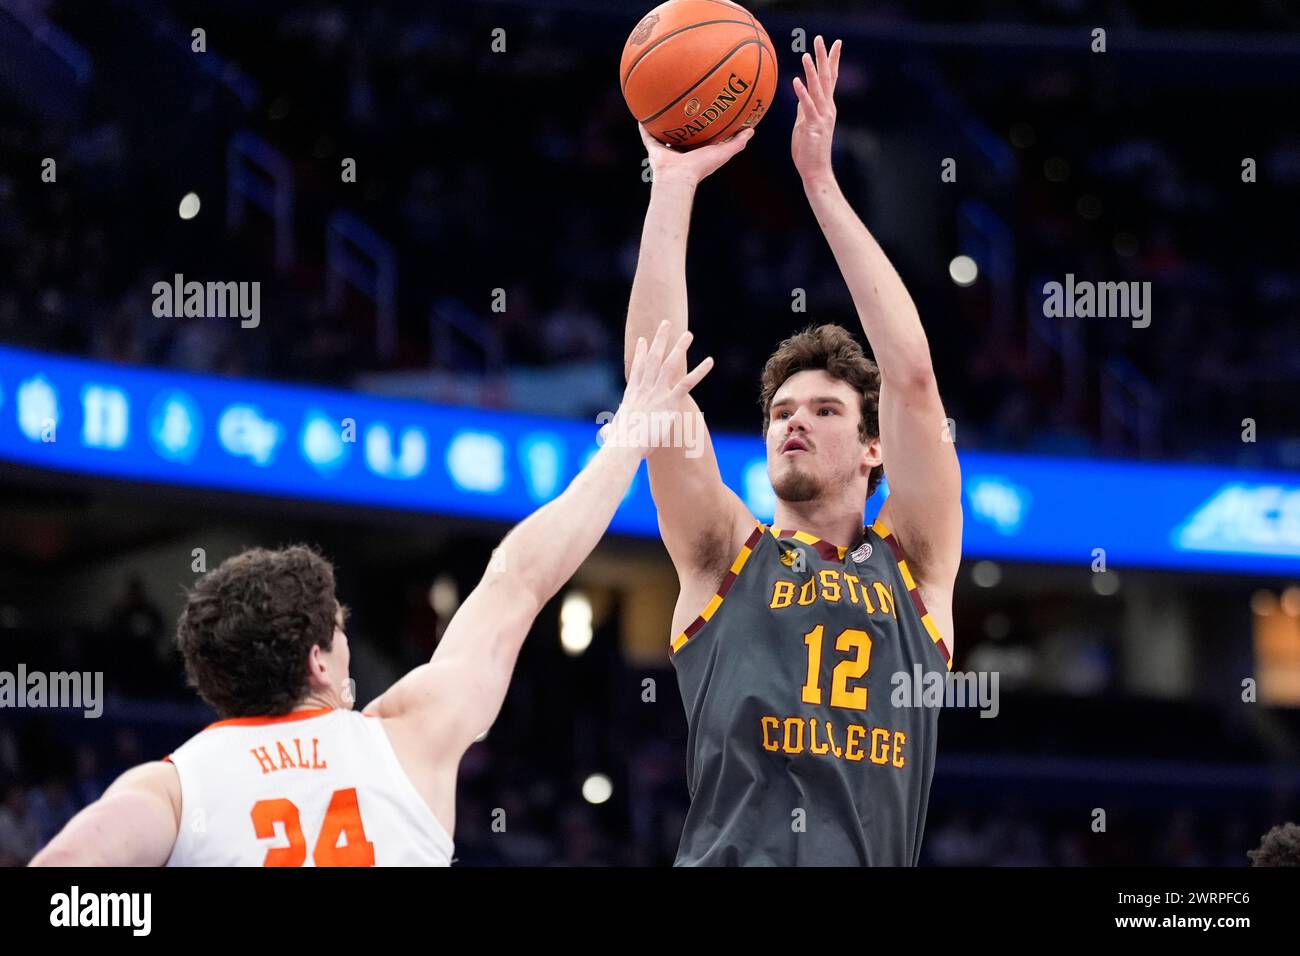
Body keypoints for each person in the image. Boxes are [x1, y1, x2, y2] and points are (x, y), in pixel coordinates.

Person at [32, 322, 711, 866]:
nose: (349, 650)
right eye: (341, 633)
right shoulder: (410, 737)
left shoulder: (174, 787)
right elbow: (518, 580)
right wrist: (626, 443)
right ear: (317, 662)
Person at [626, 37, 962, 865]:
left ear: (875, 447)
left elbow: (913, 379)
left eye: (823, 408)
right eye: (780, 410)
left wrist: (821, 184)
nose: (793, 422)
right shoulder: (722, 556)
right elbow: (655, 383)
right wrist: (671, 186)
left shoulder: (916, 567)